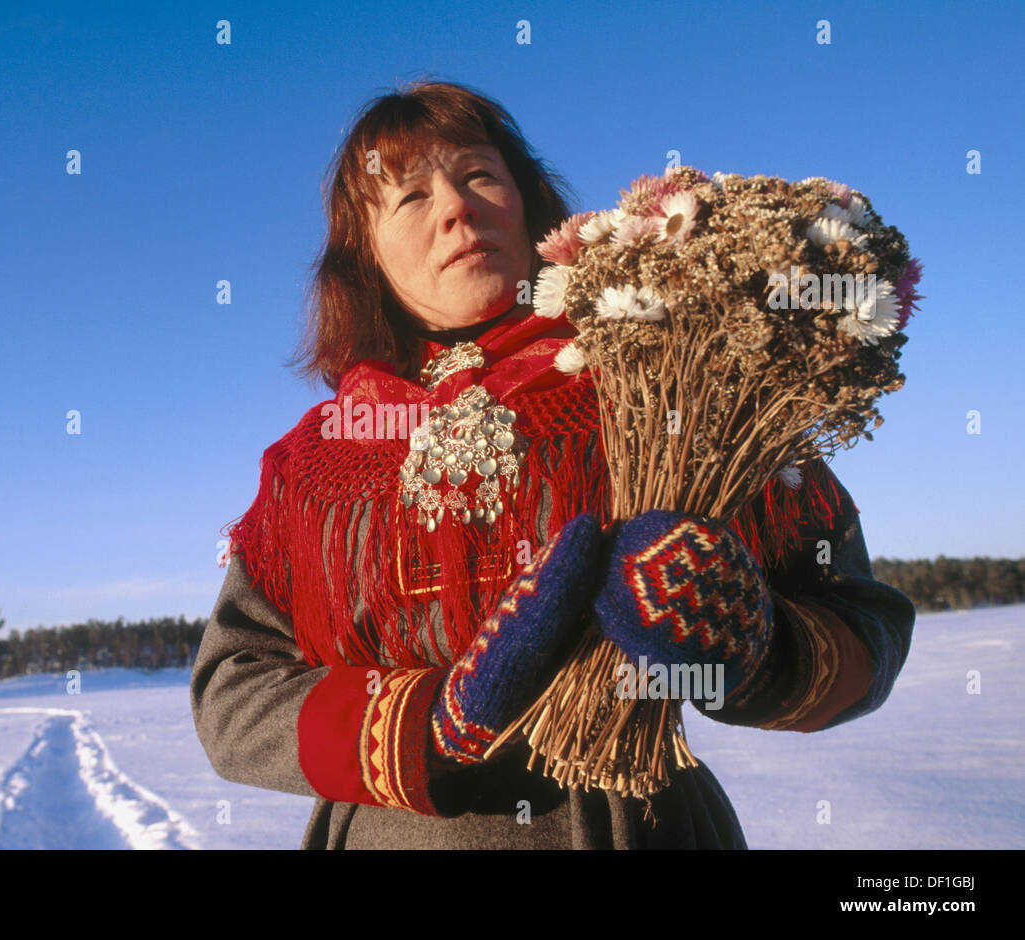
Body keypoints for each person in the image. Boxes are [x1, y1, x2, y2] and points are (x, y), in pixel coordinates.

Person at [190, 80, 916, 849]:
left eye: (478, 175)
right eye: (407, 196)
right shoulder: (316, 469)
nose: (456, 208)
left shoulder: (672, 383)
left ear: (529, 205)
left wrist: (754, 653)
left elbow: (865, 622)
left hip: (641, 827)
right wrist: (433, 724)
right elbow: (231, 693)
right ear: (362, 254)